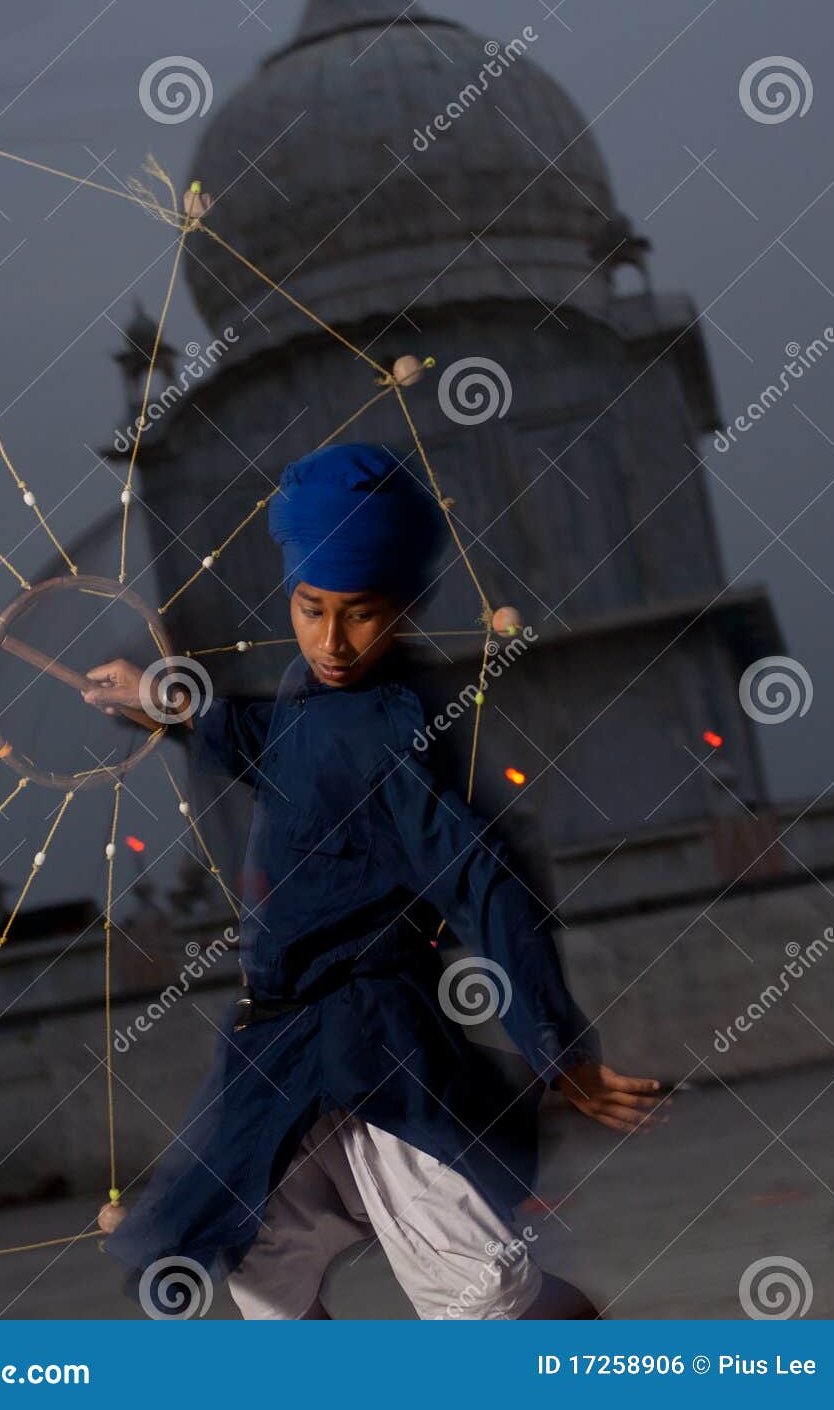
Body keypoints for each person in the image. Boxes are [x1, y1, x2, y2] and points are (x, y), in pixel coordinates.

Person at [83, 443, 666, 1320]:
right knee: (257, 1267)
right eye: (311, 609)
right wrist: (167, 700)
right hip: (280, 1050)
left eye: (360, 615)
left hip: (373, 1042)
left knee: (476, 1296)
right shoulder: (314, 692)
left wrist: (557, 1046)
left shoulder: (396, 729)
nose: (331, 640)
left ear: (402, 608)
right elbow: (274, 744)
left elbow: (486, 878)